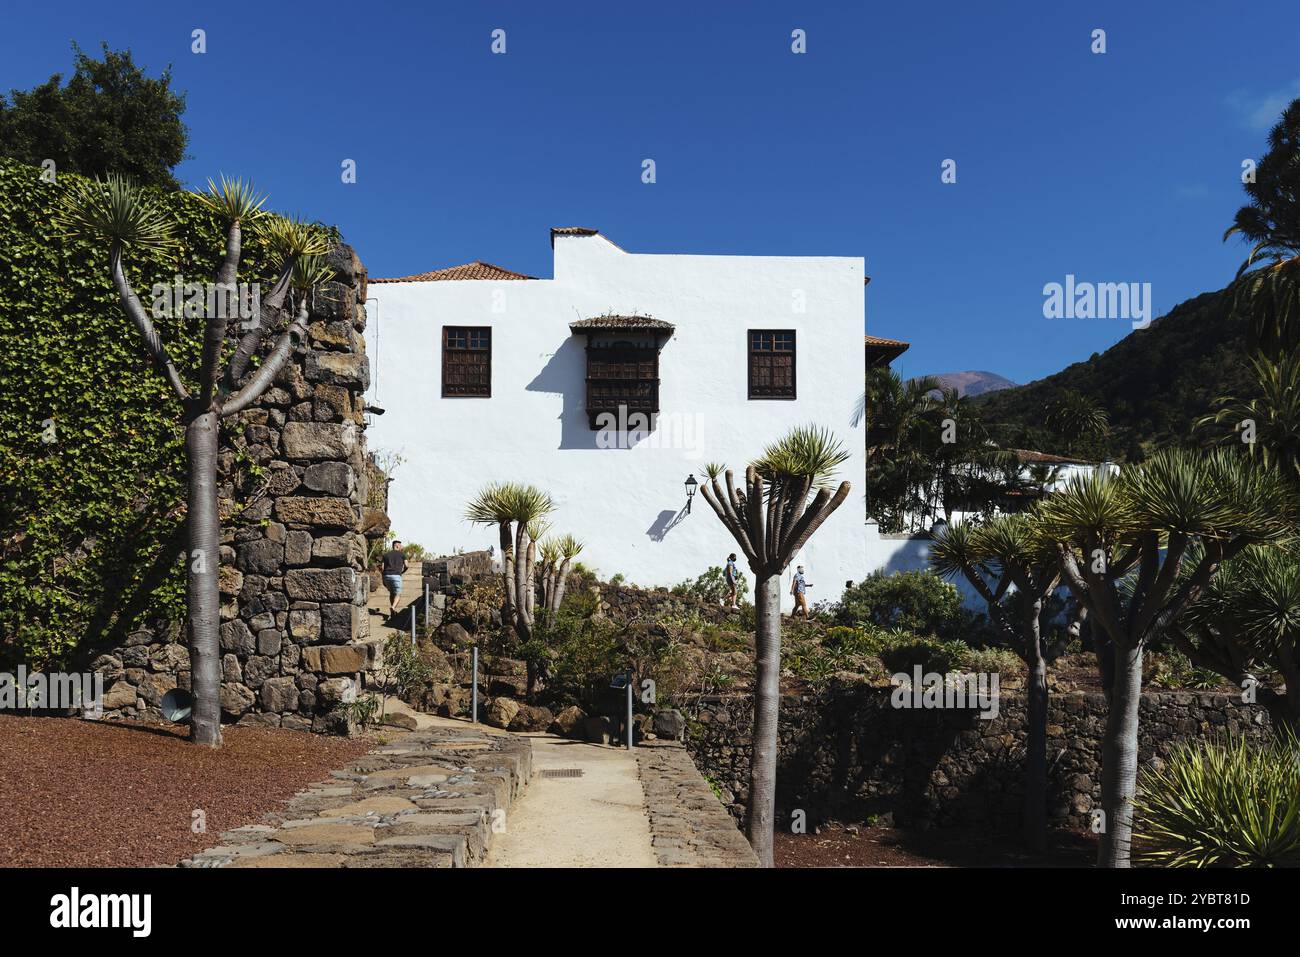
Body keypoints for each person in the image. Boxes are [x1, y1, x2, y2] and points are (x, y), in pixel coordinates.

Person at [382, 540, 408, 617]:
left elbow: (382, 568)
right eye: (400, 545)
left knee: (392, 593)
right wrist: (402, 572)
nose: (401, 547)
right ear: (396, 546)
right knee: (398, 594)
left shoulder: (386, 555)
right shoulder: (402, 554)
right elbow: (407, 565)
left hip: (386, 576)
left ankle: (392, 612)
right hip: (396, 576)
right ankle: (393, 607)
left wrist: (383, 578)